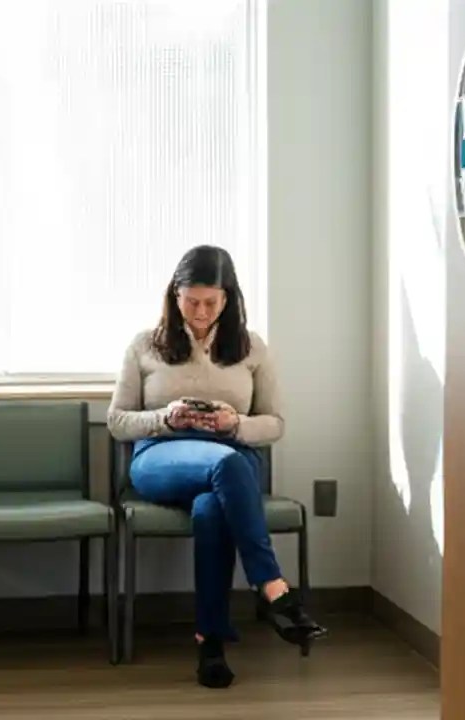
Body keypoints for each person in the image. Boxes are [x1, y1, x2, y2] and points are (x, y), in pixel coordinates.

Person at [107, 245, 326, 689]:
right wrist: (166, 418)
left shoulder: (251, 348)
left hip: (231, 456)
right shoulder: (144, 345)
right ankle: (273, 590)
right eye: (191, 302)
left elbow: (275, 423)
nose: (201, 312)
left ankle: (211, 643)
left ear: (228, 299)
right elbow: (117, 421)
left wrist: (235, 423)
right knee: (226, 467)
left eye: (211, 302)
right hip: (162, 456)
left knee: (212, 509)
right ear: (175, 295)